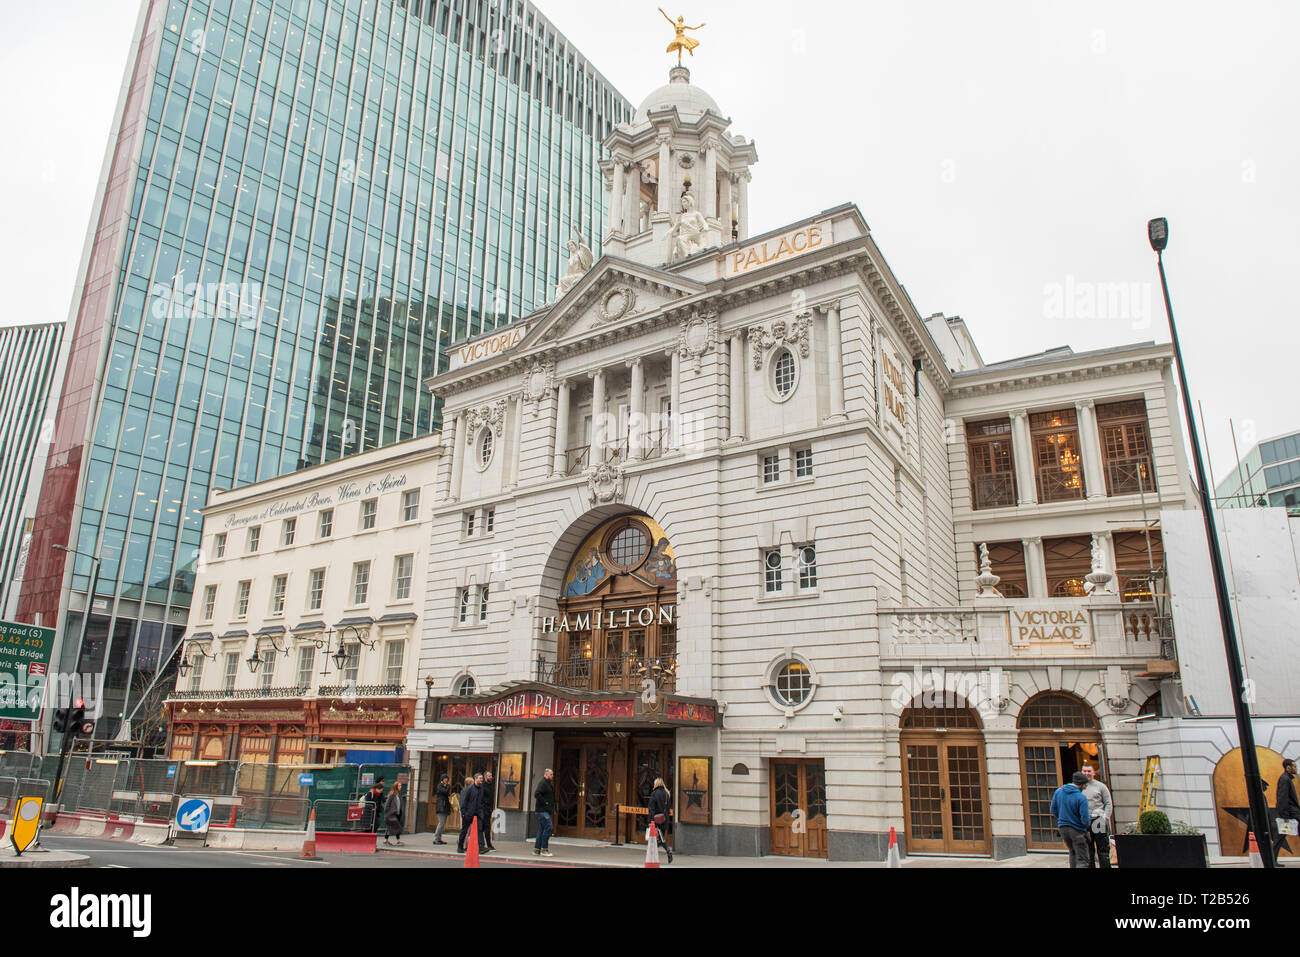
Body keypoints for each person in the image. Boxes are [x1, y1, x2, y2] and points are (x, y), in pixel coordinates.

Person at [1050, 771, 1092, 867]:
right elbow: (1085, 819)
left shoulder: (1058, 792)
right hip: (1077, 830)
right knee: (1082, 859)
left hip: (1063, 829)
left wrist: (1062, 818)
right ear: (1081, 784)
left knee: (1072, 852)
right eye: (1085, 785)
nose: (1086, 787)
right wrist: (1086, 828)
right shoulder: (1081, 798)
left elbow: (1053, 809)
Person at [1080, 765, 1113, 868]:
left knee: (1102, 849)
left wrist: (1105, 818)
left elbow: (1108, 803)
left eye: (1089, 771)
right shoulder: (1079, 787)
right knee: (1088, 850)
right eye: (1084, 771)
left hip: (1099, 821)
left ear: (1094, 773)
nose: (1086, 773)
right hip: (1085, 822)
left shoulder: (1101, 786)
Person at [1274, 758, 1300, 863]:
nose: (1296, 768)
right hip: (1291, 813)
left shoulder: (1286, 779)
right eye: (1294, 766)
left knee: (1280, 836)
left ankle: (1271, 859)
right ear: (1288, 767)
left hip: (1290, 812)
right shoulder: (1284, 779)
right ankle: (1271, 859)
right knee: (1280, 836)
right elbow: (1282, 798)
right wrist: (1284, 816)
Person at [647, 776, 673, 863]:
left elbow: (651, 808)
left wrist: (651, 821)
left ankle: (667, 850)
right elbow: (668, 807)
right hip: (665, 818)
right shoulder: (667, 794)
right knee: (659, 837)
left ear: (656, 784)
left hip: (656, 819)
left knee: (659, 838)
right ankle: (653, 855)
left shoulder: (654, 793)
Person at [534, 768, 556, 857]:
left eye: (552, 774)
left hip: (544, 810)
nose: (552, 776)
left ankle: (537, 849)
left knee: (541, 829)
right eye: (551, 774)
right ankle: (544, 849)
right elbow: (536, 794)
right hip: (542, 810)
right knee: (549, 827)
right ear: (546, 775)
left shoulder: (547, 783)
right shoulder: (543, 783)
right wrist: (545, 803)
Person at [457, 774, 479, 853]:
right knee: (465, 830)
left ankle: (466, 845)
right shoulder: (465, 791)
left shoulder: (474, 790)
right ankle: (461, 846)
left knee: (468, 831)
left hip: (471, 812)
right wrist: (464, 813)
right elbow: (463, 802)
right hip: (466, 813)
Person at [480, 769, 497, 852]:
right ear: (485, 777)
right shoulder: (483, 786)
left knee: (486, 827)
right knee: (485, 827)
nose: (491, 777)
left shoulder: (491, 785)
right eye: (489, 776)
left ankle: (486, 844)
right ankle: (486, 844)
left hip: (489, 809)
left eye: (491, 776)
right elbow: (482, 798)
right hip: (484, 810)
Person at [383, 781, 404, 846]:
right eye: (399, 786)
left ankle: (389, 840)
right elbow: (387, 805)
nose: (400, 787)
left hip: (397, 814)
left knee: (393, 827)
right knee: (394, 827)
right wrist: (388, 812)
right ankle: (394, 841)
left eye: (401, 786)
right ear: (396, 787)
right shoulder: (392, 795)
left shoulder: (398, 795)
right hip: (391, 814)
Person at [433, 773, 451, 845]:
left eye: (447, 778)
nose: (446, 780)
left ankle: (439, 838)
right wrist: (448, 786)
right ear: (442, 779)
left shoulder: (444, 786)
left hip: (445, 806)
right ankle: (436, 838)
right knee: (441, 823)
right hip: (441, 807)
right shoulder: (440, 786)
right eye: (445, 778)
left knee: (442, 823)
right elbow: (445, 791)